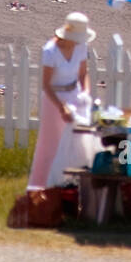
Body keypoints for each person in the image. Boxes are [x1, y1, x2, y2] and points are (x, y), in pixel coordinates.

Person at [27, 12, 98, 190]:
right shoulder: (50, 50)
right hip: (54, 101)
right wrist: (61, 107)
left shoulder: (81, 47)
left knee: (78, 141)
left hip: (75, 96)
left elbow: (83, 74)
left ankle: (74, 185)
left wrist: (86, 93)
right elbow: (46, 85)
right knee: (51, 145)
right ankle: (45, 187)